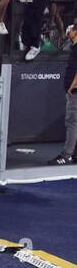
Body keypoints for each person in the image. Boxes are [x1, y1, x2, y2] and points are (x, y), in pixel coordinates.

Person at [54, 22, 77, 165]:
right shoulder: (73, 47)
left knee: (72, 122)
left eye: (72, 29)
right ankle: (73, 154)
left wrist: (71, 88)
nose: (69, 31)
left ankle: (66, 154)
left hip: (74, 91)